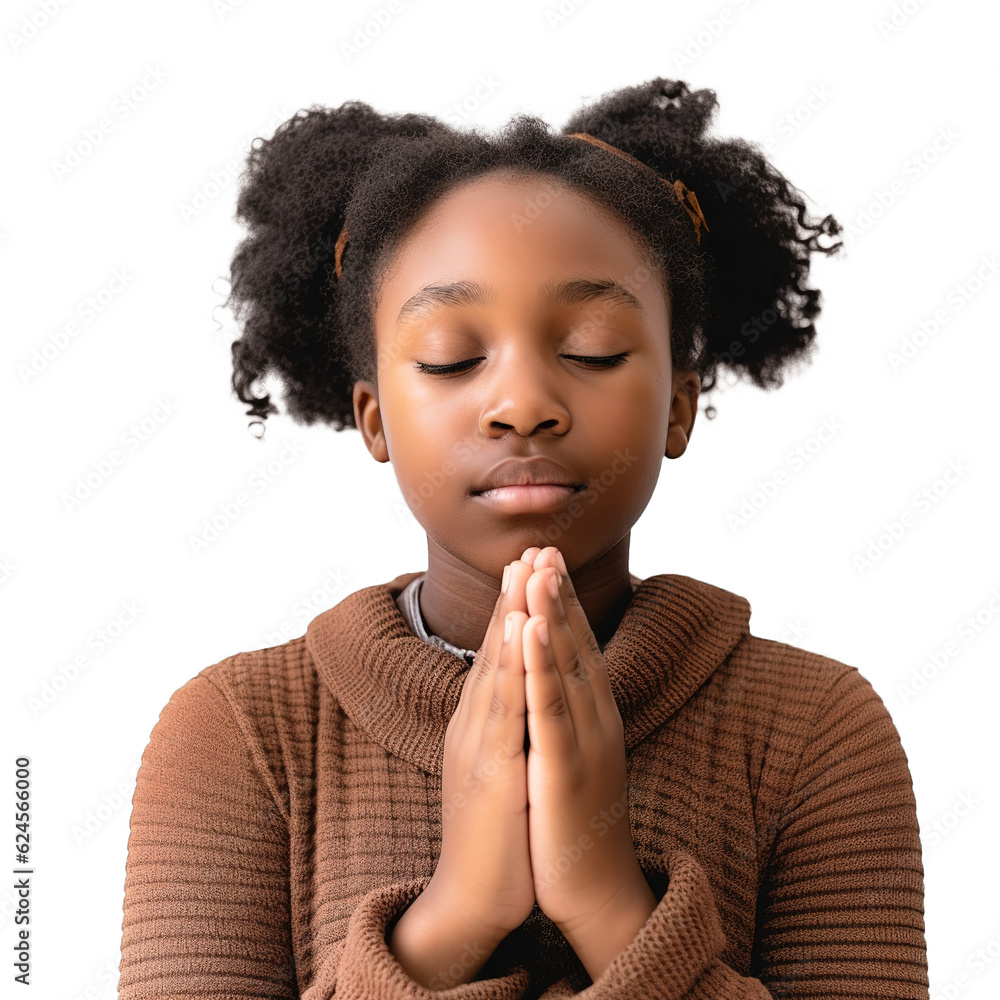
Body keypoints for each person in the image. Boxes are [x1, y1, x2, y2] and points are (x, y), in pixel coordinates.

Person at [116, 77, 929, 997]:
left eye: (590, 348)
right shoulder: (239, 737)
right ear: (375, 418)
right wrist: (454, 916)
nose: (524, 406)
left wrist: (608, 904)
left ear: (679, 404)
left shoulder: (814, 730)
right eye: (452, 358)